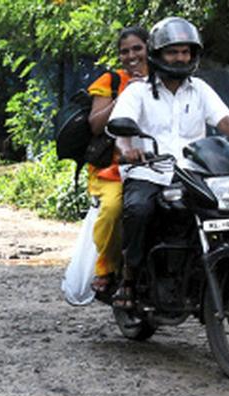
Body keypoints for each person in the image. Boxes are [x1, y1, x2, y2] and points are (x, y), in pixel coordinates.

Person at [108, 17, 229, 309]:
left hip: (193, 174)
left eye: (185, 52)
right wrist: (127, 149)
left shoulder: (200, 89)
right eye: (173, 52)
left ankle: (223, 272)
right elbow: (121, 128)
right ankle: (130, 279)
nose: (180, 58)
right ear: (158, 54)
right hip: (150, 172)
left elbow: (225, 120)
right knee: (138, 210)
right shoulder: (138, 92)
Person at [86, 26, 150, 294]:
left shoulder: (165, 79)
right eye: (124, 51)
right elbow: (96, 125)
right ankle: (107, 267)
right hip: (113, 169)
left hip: (159, 164)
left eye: (137, 48)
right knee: (113, 209)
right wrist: (124, 96)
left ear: (150, 48)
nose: (131, 55)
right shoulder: (111, 81)